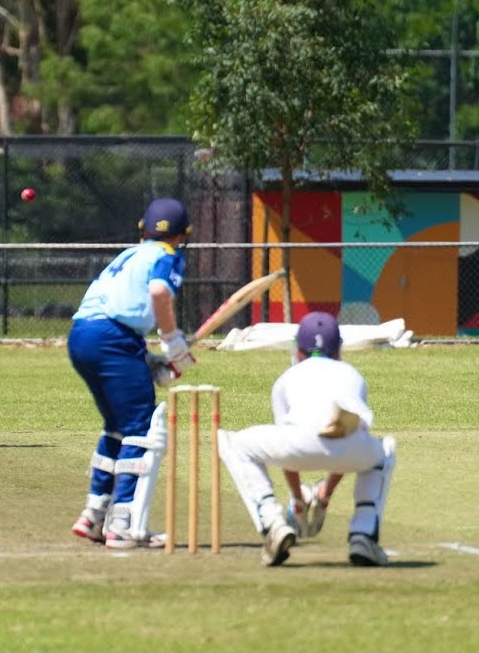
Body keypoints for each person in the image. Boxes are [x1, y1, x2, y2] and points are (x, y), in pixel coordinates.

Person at [217, 311, 397, 567]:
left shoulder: (286, 379)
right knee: (384, 451)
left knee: (235, 444)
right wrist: (325, 495)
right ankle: (364, 535)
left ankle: (273, 523)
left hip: (296, 445)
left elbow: (288, 442)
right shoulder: (353, 375)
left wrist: (297, 498)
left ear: (298, 350)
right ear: (338, 350)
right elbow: (346, 435)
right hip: (354, 450)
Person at [68, 197, 196, 550]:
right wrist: (172, 343)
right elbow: (158, 292)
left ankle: (95, 513)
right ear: (183, 235)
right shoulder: (168, 255)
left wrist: (147, 359)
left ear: (143, 230)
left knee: (118, 425)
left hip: (82, 335)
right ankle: (123, 523)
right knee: (140, 427)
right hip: (114, 339)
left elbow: (119, 311)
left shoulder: (129, 254)